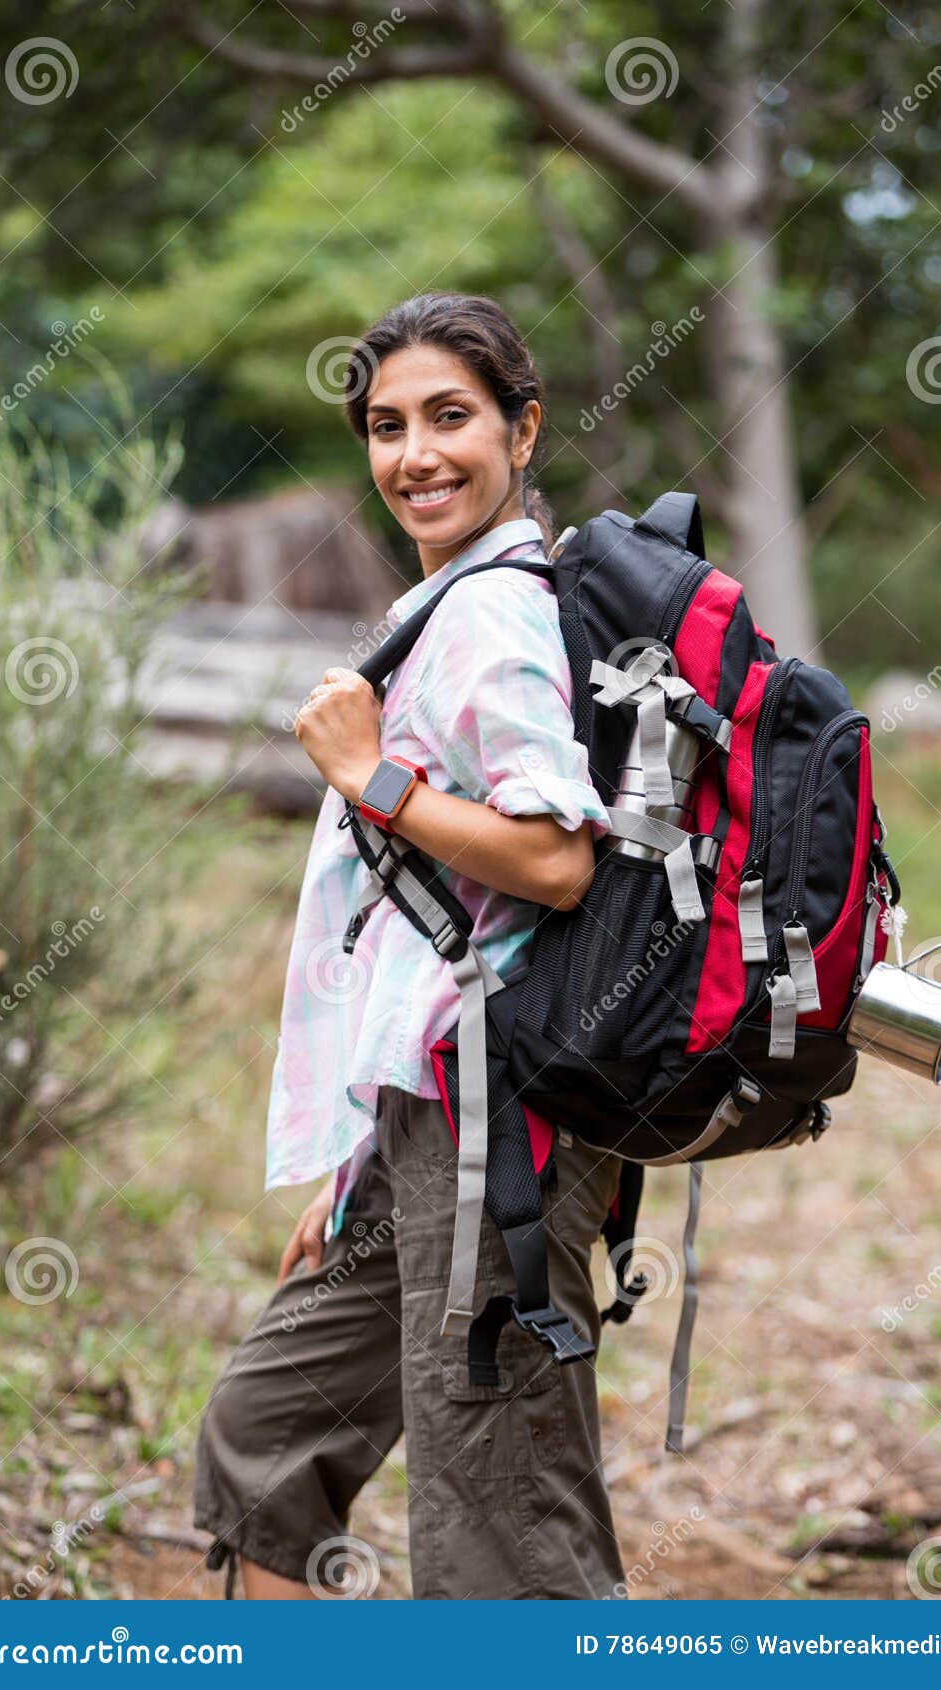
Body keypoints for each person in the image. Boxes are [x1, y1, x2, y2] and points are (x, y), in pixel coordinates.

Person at [193, 292, 628, 1601]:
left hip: (505, 1117)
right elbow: (424, 930)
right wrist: (354, 1171)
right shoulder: (445, 606)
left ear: (525, 428)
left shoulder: (497, 611)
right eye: (388, 426)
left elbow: (553, 860)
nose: (417, 454)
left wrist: (369, 774)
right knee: (271, 1434)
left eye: (452, 416)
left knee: (500, 1518)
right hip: (428, 1113)